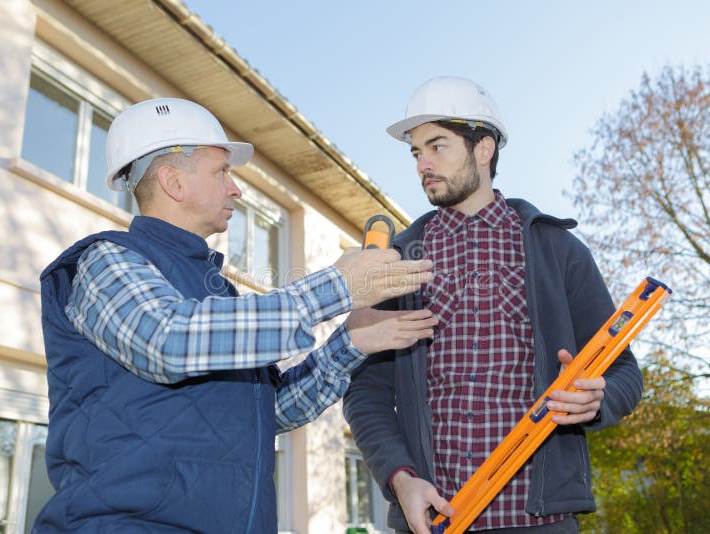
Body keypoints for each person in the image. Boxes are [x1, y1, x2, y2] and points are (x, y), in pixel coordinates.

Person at [34, 97, 436, 533]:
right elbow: (170, 340)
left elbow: (269, 411)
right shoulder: (105, 263)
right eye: (221, 172)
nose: (235, 188)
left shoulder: (218, 295)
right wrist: (337, 287)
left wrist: (350, 344)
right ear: (173, 182)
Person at [343, 76, 644, 533]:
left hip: (540, 520)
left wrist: (596, 400)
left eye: (437, 145)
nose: (422, 162)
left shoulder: (556, 250)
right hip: (432, 520)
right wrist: (399, 478)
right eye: (416, 152)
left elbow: (623, 371)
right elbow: (365, 392)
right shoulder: (397, 263)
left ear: (483, 148)